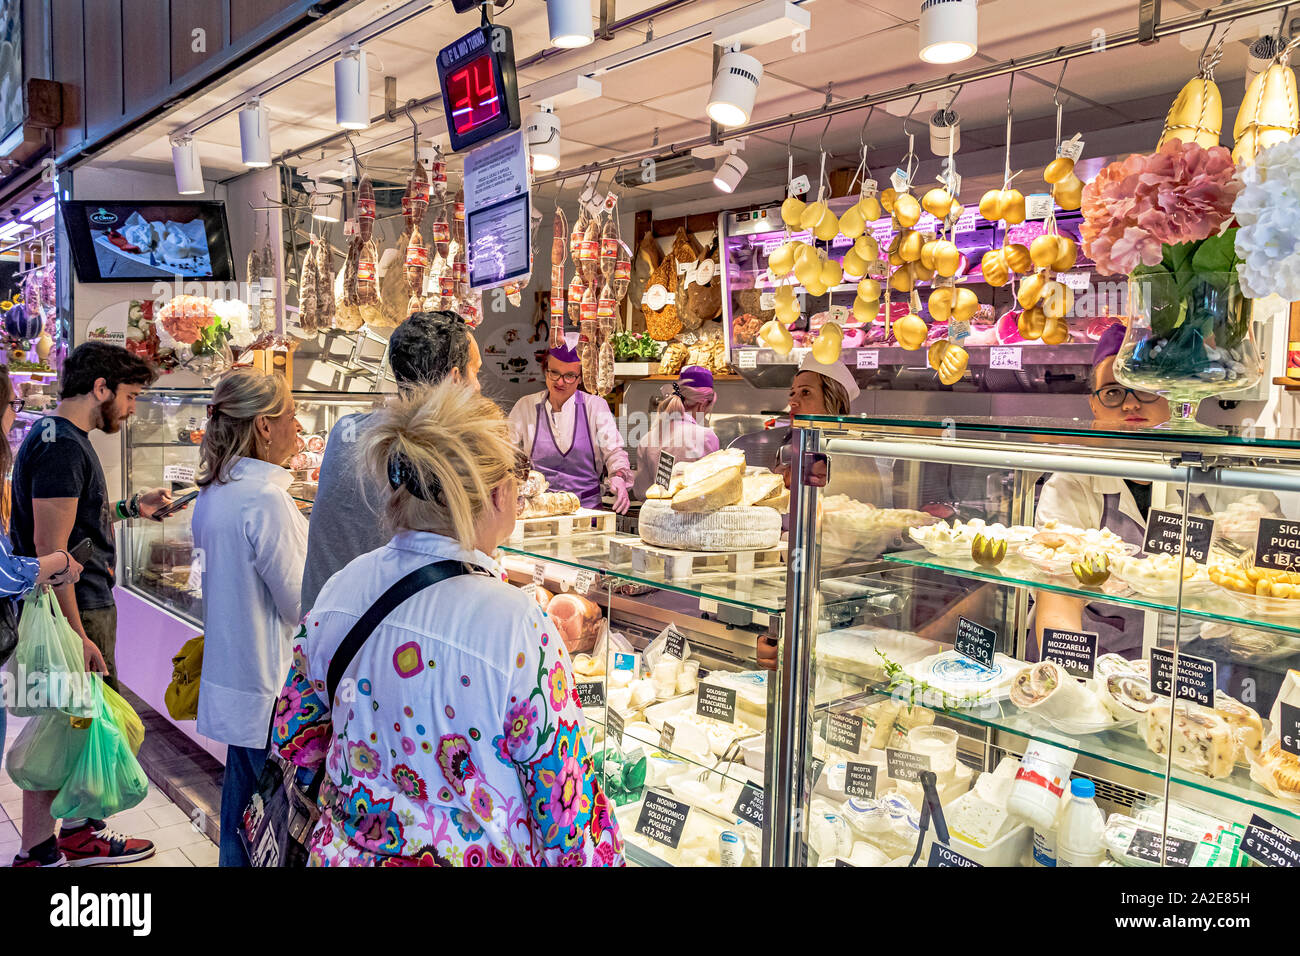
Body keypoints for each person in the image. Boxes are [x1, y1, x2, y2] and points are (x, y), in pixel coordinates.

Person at [270, 380, 625, 866]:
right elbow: (567, 821)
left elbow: (296, 737)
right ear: (495, 492)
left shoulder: (341, 589)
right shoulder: (519, 626)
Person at [10, 341, 167, 867]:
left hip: (82, 603)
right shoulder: (62, 446)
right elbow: (51, 553)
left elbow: (73, 530)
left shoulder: (59, 438)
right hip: (76, 609)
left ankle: (75, 831)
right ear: (100, 388)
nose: (131, 409)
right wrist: (77, 635)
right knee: (70, 723)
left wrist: (128, 507)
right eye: (129, 396)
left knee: (79, 721)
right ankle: (42, 848)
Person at [191, 369, 307, 867]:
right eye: (291, 416)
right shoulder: (265, 500)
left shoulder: (216, 492)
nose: (297, 428)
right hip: (270, 690)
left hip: (238, 684)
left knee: (242, 818)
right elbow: (301, 604)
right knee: (271, 829)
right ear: (263, 425)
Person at [301, 310, 482, 611]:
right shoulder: (432, 454)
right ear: (453, 378)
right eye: (475, 372)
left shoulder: (344, 430)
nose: (478, 387)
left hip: (321, 624)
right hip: (380, 636)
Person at [0, 368, 85, 772]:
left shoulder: (50, 438)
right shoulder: (61, 444)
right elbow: (6, 571)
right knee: (70, 721)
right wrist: (57, 563)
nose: (13, 416)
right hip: (59, 593)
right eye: (11, 405)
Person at [507, 345, 633, 514]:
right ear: (545, 371)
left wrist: (619, 477)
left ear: (580, 378)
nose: (560, 382)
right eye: (554, 373)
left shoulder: (595, 406)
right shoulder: (526, 406)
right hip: (540, 513)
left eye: (569, 376)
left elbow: (614, 452)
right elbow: (505, 451)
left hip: (587, 513)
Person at [633, 365, 719, 498]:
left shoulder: (648, 438)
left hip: (656, 516)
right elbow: (713, 488)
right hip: (696, 517)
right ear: (702, 405)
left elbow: (640, 492)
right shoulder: (706, 437)